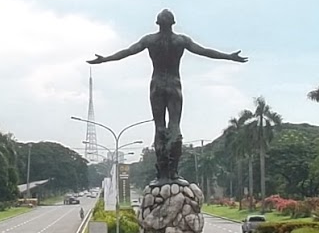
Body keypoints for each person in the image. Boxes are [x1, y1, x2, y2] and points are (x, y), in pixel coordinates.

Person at [89, 10, 245, 182]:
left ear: (157, 23)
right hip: (174, 86)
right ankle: (173, 172)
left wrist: (105, 59)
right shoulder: (181, 41)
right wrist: (229, 57)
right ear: (173, 23)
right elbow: (205, 51)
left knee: (159, 128)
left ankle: (163, 173)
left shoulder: (150, 40)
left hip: (156, 86)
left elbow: (127, 52)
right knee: (175, 128)